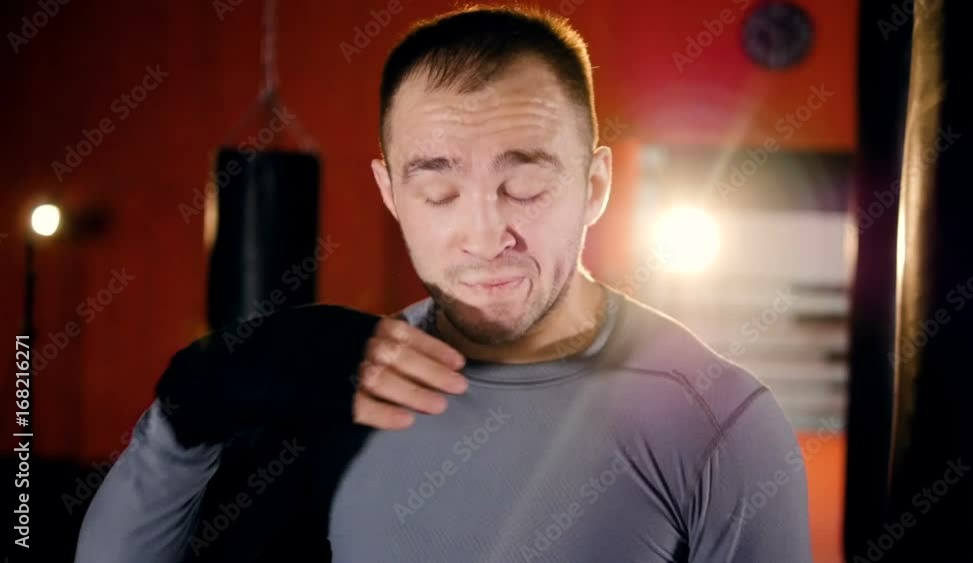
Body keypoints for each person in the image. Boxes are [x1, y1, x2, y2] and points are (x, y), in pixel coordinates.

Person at [76, 5, 813, 562]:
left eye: (525, 183)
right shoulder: (336, 383)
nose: (486, 234)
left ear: (594, 185)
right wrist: (189, 407)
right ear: (391, 192)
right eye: (438, 191)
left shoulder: (713, 418)